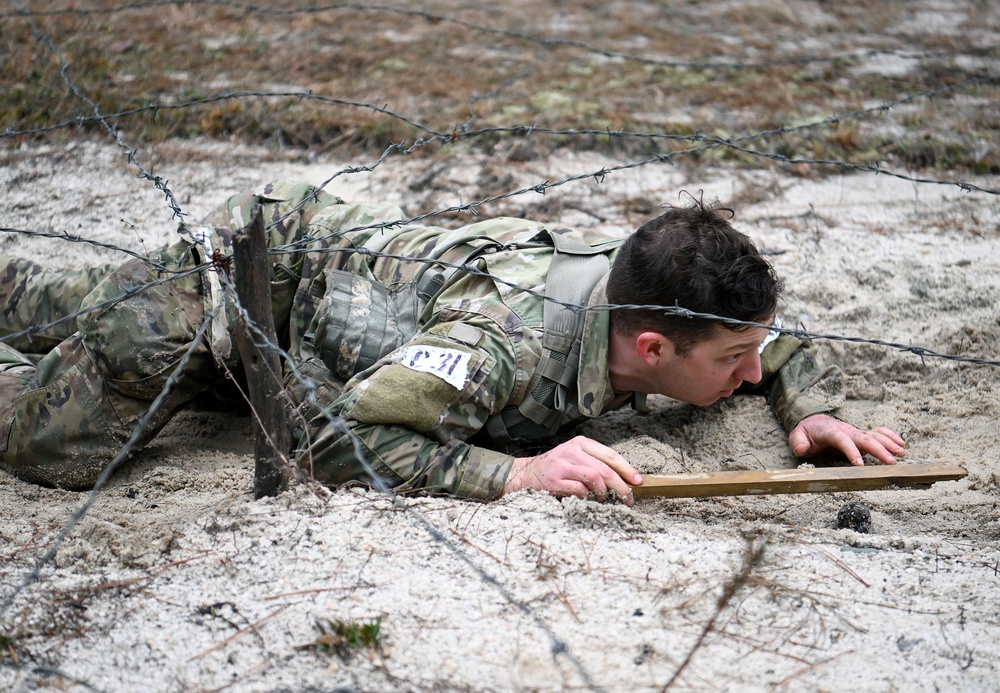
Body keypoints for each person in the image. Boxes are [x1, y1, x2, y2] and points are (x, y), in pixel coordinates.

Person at [0, 181, 906, 504]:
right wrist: (512, 474)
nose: (753, 372)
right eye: (734, 366)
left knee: (60, 305)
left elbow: (761, 339)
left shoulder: (669, 309)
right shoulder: (506, 344)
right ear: (654, 351)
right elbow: (336, 440)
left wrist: (812, 407)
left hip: (316, 318)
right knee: (46, 439)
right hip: (231, 293)